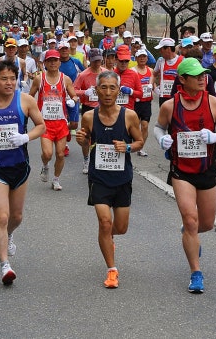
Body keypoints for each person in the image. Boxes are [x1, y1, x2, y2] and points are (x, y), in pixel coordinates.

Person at [153, 58, 216, 293]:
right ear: (182, 79)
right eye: (196, 75)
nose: (202, 79)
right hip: (181, 171)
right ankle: (196, 273)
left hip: (206, 168)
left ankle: (190, 233)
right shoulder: (170, 105)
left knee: (206, 224)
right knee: (191, 220)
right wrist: (162, 139)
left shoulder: (213, 103)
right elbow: (158, 127)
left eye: (203, 75)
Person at [0, 60, 45, 285]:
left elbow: (41, 126)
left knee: (16, 217)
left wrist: (26, 137)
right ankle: (5, 265)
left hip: (20, 167)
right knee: (1, 216)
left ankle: (10, 234)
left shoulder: (26, 101)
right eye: (4, 79)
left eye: (13, 78)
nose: (10, 83)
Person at [76, 71, 144, 289]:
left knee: (120, 227)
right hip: (99, 177)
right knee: (105, 223)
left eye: (112, 88)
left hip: (122, 177)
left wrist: (129, 147)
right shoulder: (89, 117)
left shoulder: (129, 116)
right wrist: (81, 140)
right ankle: (112, 270)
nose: (107, 92)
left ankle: (108, 238)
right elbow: (86, 144)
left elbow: (140, 141)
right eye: (103, 88)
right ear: (96, 91)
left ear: (118, 90)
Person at [29, 49, 78, 191]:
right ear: (45, 63)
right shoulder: (40, 79)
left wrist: (72, 101)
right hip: (44, 123)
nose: (53, 63)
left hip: (61, 122)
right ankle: (45, 166)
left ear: (59, 62)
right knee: (47, 153)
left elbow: (74, 95)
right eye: (50, 60)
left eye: (55, 60)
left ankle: (56, 180)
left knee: (60, 153)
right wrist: (29, 110)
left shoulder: (65, 79)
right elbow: (30, 96)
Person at [75, 48, 105, 173]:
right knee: (86, 137)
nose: (97, 63)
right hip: (88, 109)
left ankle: (101, 160)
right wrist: (84, 92)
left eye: (99, 60)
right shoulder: (83, 75)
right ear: (89, 60)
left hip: (104, 108)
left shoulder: (106, 73)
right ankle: (86, 159)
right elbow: (73, 90)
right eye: (94, 61)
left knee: (103, 136)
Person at [133, 48, 154, 157]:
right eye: (140, 57)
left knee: (145, 125)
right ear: (136, 58)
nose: (142, 59)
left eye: (144, 57)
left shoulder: (150, 70)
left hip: (146, 102)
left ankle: (141, 147)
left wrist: (155, 89)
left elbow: (153, 84)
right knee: (134, 125)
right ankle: (134, 143)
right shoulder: (133, 71)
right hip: (135, 102)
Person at [152, 37, 183, 106]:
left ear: (168, 49)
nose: (160, 52)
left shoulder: (182, 60)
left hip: (177, 97)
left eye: (161, 49)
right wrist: (154, 88)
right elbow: (153, 74)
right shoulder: (160, 60)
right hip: (164, 97)